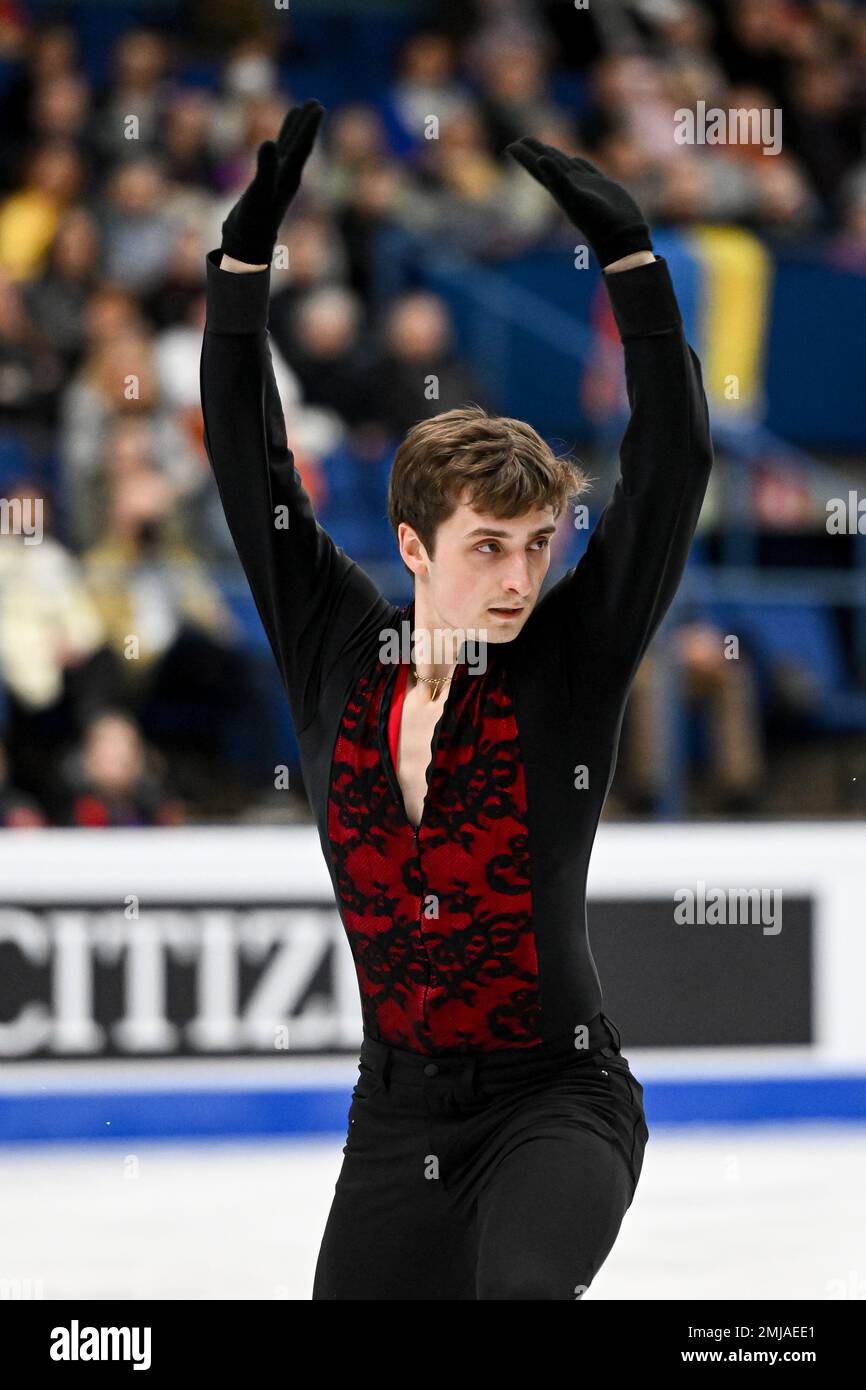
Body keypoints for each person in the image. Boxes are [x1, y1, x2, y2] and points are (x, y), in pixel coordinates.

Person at [200, 102, 713, 1300]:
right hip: (394, 1119)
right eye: (490, 546)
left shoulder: (569, 657)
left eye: (539, 544)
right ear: (415, 547)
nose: (522, 576)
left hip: (558, 1099)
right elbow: (245, 456)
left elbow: (673, 461)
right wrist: (241, 270)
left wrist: (634, 264)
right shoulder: (332, 642)